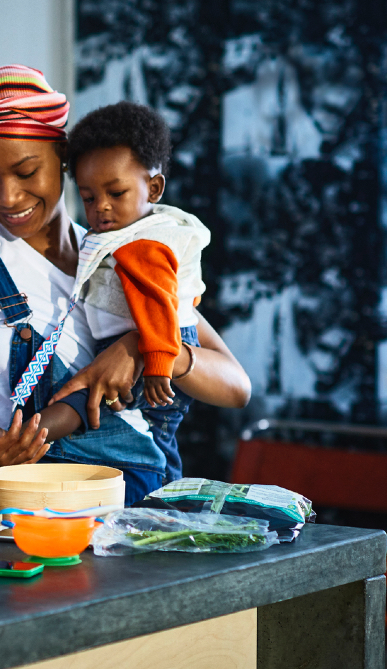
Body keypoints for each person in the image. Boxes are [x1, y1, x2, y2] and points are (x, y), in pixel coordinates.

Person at [0, 67, 251, 504]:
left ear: (62, 158)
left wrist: (145, 348)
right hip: (13, 517)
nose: (7, 197)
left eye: (26, 172)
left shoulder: (120, 256)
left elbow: (236, 386)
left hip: (130, 512)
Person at [41, 101, 240, 481]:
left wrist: (156, 359)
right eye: (88, 197)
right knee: (151, 436)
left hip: (159, 346)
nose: (101, 208)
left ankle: (165, 499)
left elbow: (157, 299)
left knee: (153, 439)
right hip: (152, 344)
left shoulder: (143, 242)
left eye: (116, 193)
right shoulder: (118, 237)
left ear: (154, 187)